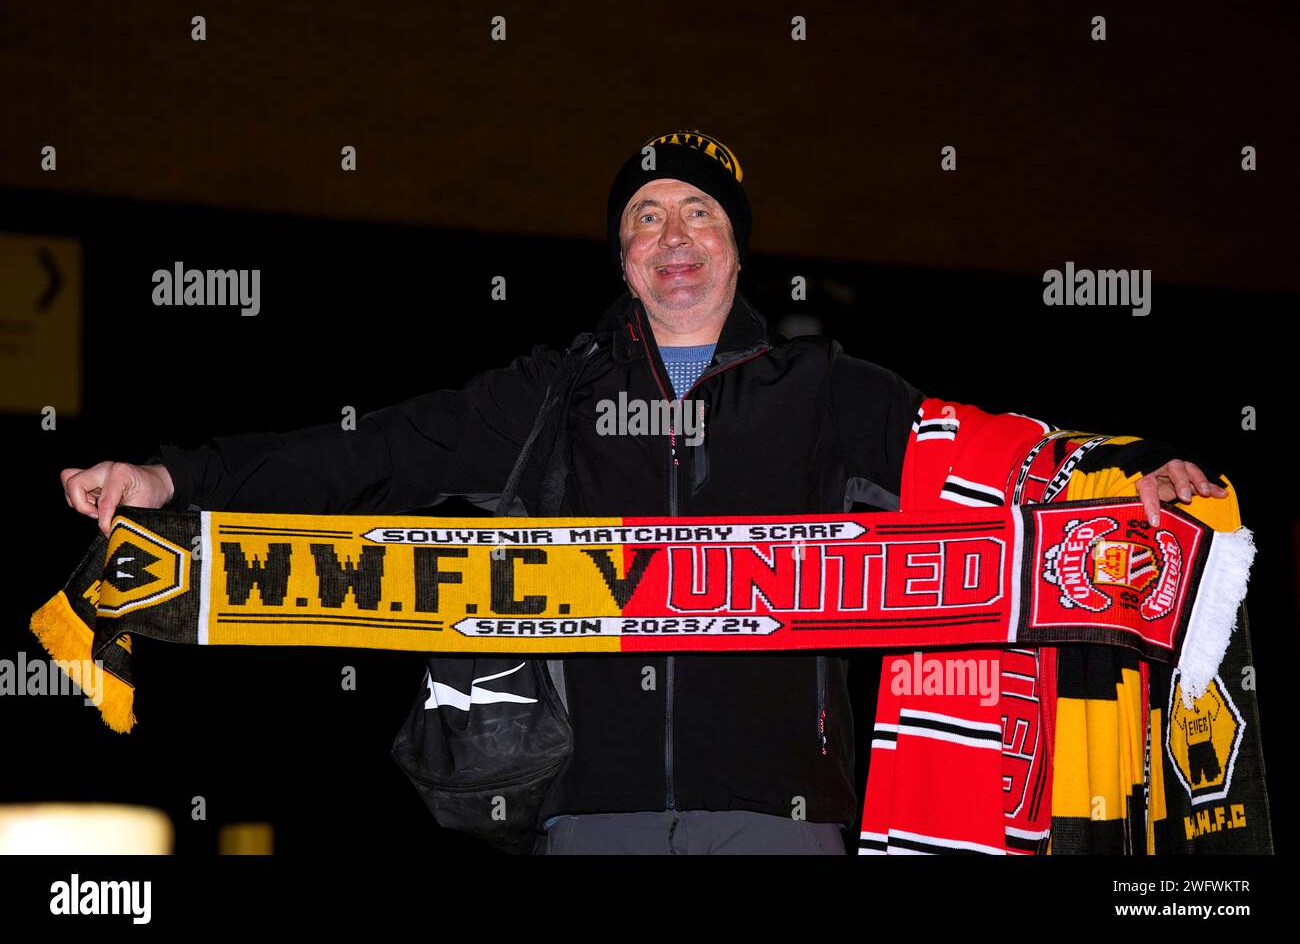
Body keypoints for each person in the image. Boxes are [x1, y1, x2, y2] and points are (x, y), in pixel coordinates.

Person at [60, 130, 1228, 855]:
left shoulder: (829, 389)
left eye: (699, 212)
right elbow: (371, 451)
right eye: (646, 216)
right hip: (585, 806)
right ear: (621, 255)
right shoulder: (550, 390)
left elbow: (992, 464)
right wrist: (176, 476)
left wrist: (1134, 482)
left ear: (735, 248)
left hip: (781, 811)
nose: (674, 236)